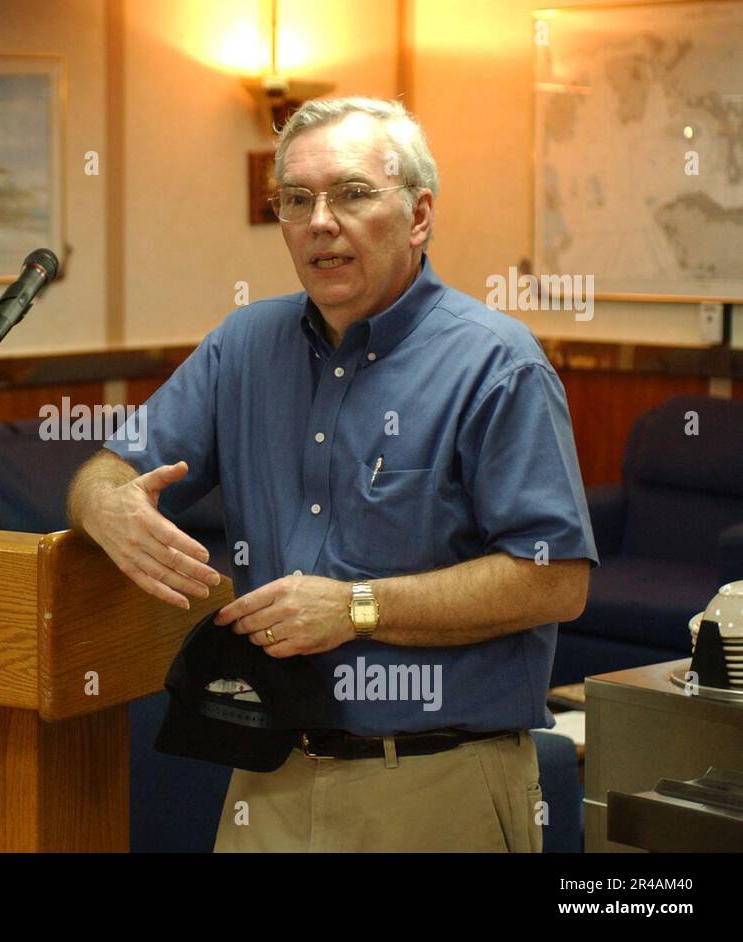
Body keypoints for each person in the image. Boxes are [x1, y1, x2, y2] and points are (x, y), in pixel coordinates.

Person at [67, 97, 597, 852]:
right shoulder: (244, 345)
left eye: (351, 193)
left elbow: (555, 579)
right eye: (295, 199)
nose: (319, 221)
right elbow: (106, 469)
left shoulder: (497, 364)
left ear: (417, 216)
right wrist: (104, 507)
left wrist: (356, 608)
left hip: (435, 783)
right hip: (268, 774)